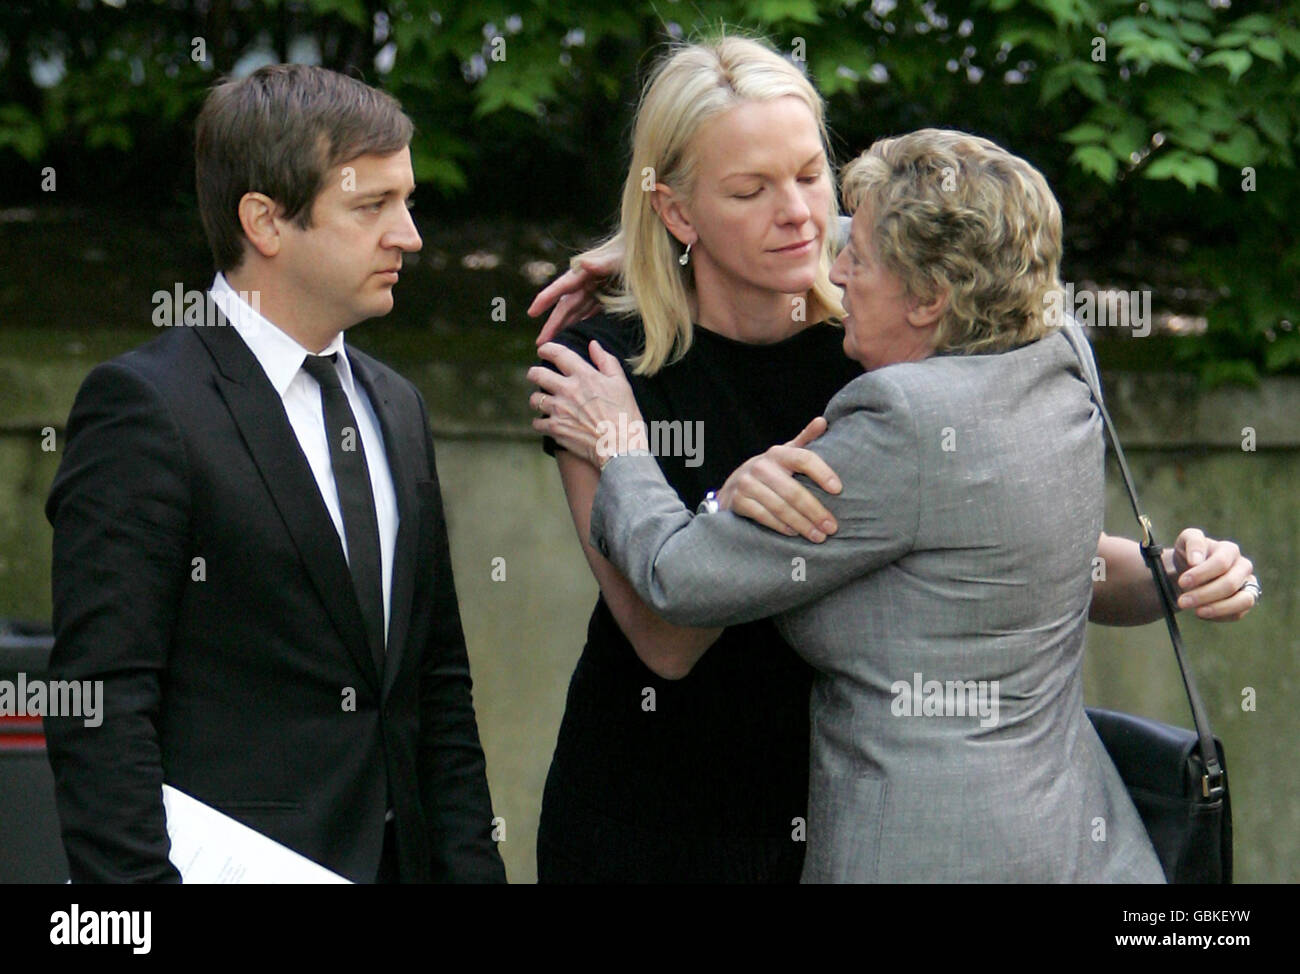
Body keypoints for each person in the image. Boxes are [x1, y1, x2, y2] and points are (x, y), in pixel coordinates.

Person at [527, 39, 1256, 883]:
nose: (799, 215)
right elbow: (664, 642)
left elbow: (1004, 548)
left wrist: (1169, 575)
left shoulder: (889, 339)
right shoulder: (600, 371)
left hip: (860, 814)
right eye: (748, 190)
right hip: (668, 819)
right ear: (681, 211)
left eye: (809, 175)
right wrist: (653, 259)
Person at [43, 64, 505, 884]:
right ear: (265, 220)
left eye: (407, 201)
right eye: (372, 206)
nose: (410, 235)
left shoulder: (397, 406)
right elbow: (101, 706)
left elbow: (436, 683)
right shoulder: (145, 408)